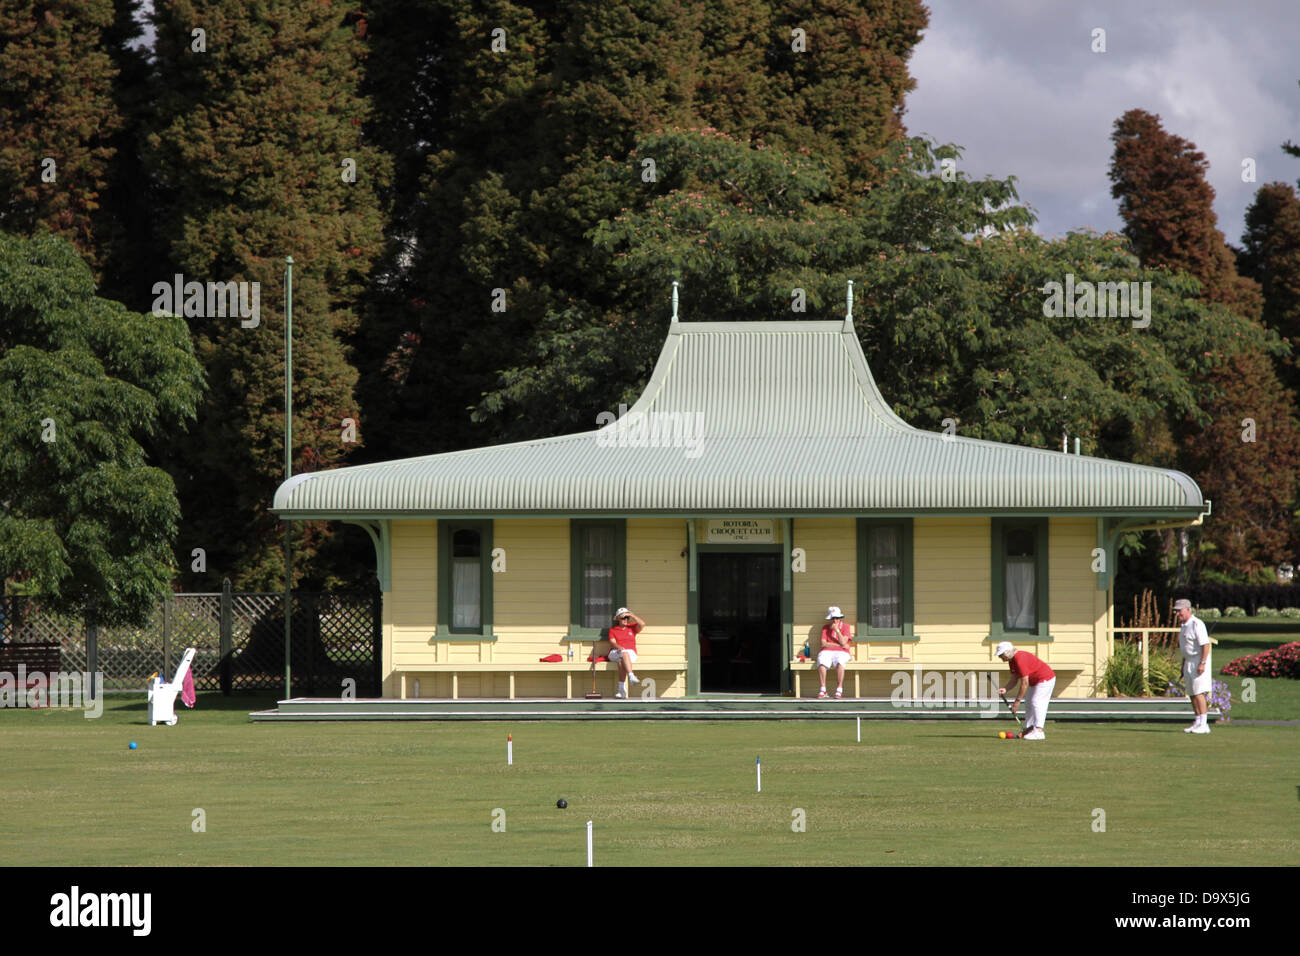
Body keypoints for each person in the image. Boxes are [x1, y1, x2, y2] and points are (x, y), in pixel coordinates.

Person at [996, 641, 1055, 740]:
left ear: (1007, 652)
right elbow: (1014, 679)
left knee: (1037, 702)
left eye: (1001, 655)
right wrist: (1005, 689)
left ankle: (1039, 731)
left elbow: (1024, 683)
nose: (1000, 658)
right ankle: (1030, 729)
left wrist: (1017, 701)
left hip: (1045, 678)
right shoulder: (1012, 661)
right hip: (1035, 681)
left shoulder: (1020, 659)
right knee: (1029, 703)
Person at [1175, 598, 1212, 734]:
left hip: (1198, 661)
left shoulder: (1197, 624)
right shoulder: (1184, 625)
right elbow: (1186, 648)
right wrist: (1183, 664)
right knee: (1191, 693)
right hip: (1188, 661)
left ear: (1188, 609)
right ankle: (1197, 721)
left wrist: (1202, 663)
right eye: (1176, 611)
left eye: (1180, 611)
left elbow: (1205, 645)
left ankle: (1204, 724)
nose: (1178, 614)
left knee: (1198, 692)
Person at [817, 606, 853, 699]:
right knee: (821, 661)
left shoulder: (846, 627)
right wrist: (839, 645)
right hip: (827, 651)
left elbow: (844, 642)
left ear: (840, 618)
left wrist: (836, 630)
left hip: (842, 652)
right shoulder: (825, 628)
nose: (835, 620)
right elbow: (823, 643)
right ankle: (823, 689)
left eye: (837, 618)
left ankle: (839, 689)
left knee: (840, 662)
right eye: (833, 618)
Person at [608, 607, 644, 699]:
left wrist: (631, 615)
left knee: (621, 662)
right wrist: (618, 647)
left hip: (630, 653)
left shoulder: (632, 628)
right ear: (618, 619)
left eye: (627, 618)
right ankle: (631, 676)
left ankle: (621, 691)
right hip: (616, 652)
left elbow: (642, 624)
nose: (625, 620)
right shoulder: (613, 630)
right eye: (623, 618)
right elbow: (612, 642)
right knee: (624, 653)